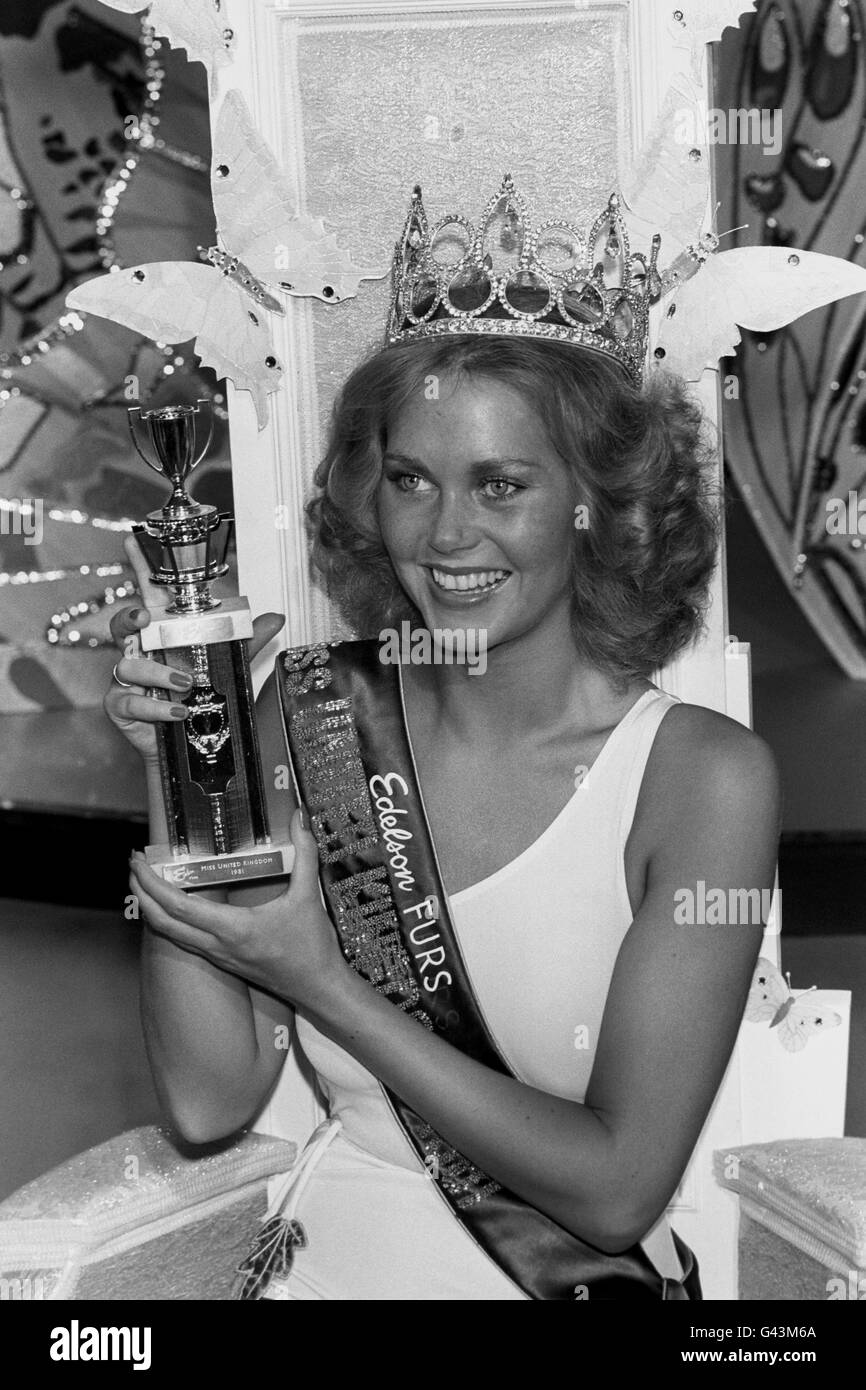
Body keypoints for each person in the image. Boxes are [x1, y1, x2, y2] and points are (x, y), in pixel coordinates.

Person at [106, 182, 781, 1301]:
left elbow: (617, 1189)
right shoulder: (312, 717)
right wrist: (186, 771)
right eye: (410, 479)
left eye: (501, 485)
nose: (446, 533)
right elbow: (206, 1099)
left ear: (599, 504)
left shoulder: (698, 779)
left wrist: (327, 986)